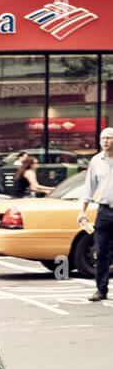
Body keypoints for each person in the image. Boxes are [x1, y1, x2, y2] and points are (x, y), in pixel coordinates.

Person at [77, 127, 113, 301]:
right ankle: (101, 290)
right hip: (104, 210)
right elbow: (89, 188)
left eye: (109, 138)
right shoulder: (96, 161)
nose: (105, 141)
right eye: (102, 138)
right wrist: (82, 211)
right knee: (101, 252)